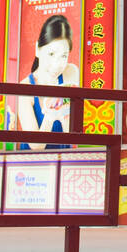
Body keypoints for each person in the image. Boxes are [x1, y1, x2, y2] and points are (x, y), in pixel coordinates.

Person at [17, 14, 80, 150]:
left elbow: (73, 134)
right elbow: (36, 146)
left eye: (64, 56)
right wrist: (52, 109)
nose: (57, 64)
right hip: (33, 165)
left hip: (65, 163)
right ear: (37, 49)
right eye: (51, 54)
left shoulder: (71, 72)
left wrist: (63, 106)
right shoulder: (25, 87)